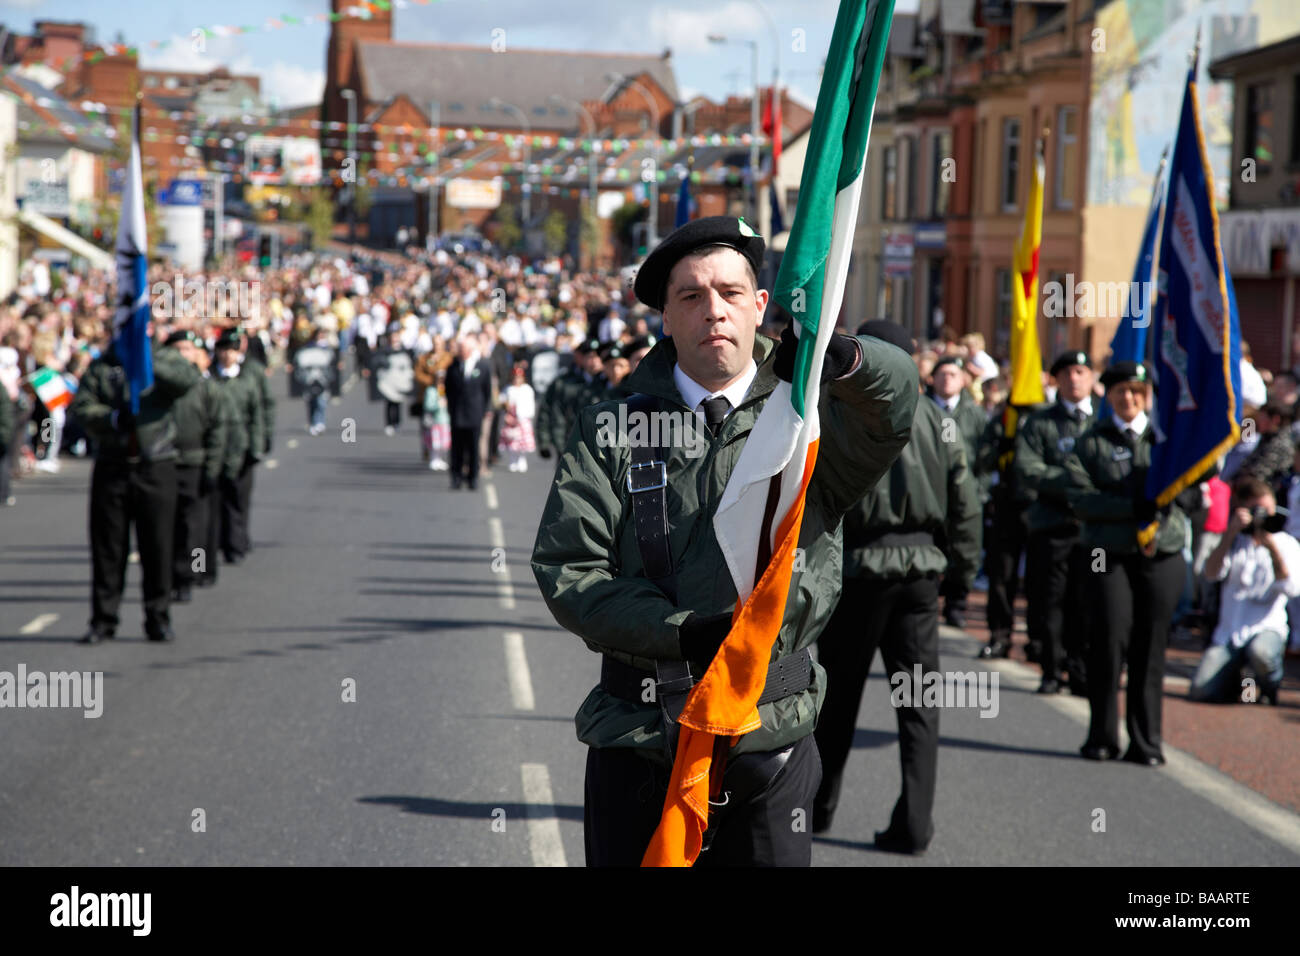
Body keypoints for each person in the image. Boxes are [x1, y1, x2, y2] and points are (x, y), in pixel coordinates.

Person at [531, 216, 918, 867]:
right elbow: (570, 571)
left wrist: (843, 355)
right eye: (691, 296)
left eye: (731, 293)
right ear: (664, 319)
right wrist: (685, 633)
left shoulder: (806, 423)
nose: (714, 310)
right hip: (641, 739)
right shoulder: (611, 428)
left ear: (760, 306)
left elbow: (896, 407)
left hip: (770, 741)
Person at [812, 320, 980, 855]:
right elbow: (965, 503)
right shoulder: (936, 417)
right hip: (919, 578)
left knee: (836, 700)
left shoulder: (835, 406)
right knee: (920, 708)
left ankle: (818, 808)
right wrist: (959, 577)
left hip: (858, 570)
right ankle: (915, 824)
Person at [1066, 361, 1195, 765]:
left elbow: (1196, 486)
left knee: (1150, 648)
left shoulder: (1167, 439)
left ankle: (1146, 741)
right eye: (1121, 390)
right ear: (1108, 395)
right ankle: (1102, 736)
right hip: (1109, 555)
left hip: (1162, 552)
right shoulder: (1091, 441)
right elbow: (1080, 498)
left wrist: (1181, 492)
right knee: (1108, 642)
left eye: (1137, 391)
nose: (1129, 398)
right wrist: (1130, 508)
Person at [70, 333, 200, 643]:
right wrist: (112, 418)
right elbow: (82, 407)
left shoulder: (161, 357)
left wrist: (145, 360)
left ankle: (157, 617)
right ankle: (103, 620)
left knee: (157, 545)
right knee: (108, 549)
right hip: (113, 465)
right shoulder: (103, 365)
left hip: (155, 463)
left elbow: (186, 380)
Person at [1015, 350, 1097, 694]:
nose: (1074, 379)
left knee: (1087, 601)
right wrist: (1071, 480)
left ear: (1091, 377)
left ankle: (1080, 670)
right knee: (1050, 601)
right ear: (1056, 380)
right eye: (1066, 373)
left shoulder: (1104, 421)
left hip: (1093, 531)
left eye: (1080, 371)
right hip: (1052, 527)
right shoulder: (1040, 422)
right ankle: (1051, 669)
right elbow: (1028, 468)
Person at [1189, 474, 1298, 705]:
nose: (1261, 517)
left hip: (1266, 630)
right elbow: (1210, 573)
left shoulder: (1286, 543)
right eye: (1255, 511)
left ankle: (1270, 685)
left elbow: (1291, 588)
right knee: (1200, 690)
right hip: (1229, 634)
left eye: (1265, 510)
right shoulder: (1234, 542)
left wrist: (1270, 546)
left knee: (1261, 653)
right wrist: (1230, 533)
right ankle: (1234, 680)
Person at [165, 330, 226, 604]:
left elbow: (217, 430)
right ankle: (166, 578)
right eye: (177, 348)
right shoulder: (155, 386)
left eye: (188, 349)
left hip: (194, 464)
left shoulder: (206, 387)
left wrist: (213, 468)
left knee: (193, 526)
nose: (182, 354)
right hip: (162, 463)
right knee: (164, 526)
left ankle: (189, 574)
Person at [927, 355, 984, 629]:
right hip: (930, 494)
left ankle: (956, 603)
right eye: (942, 373)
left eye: (954, 374)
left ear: (964, 381)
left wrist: (980, 491)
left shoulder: (975, 415)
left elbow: (986, 457)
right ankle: (928, 599)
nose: (948, 379)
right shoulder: (921, 410)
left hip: (964, 494)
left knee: (963, 549)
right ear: (932, 379)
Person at [212, 328, 265, 566]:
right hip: (215, 449)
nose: (227, 355)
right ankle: (219, 543)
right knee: (215, 499)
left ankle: (237, 543)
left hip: (240, 446)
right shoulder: (209, 378)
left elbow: (259, 413)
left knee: (238, 499)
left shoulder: (248, 377)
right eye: (223, 350)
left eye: (231, 350)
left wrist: (258, 446)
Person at [444, 336, 492, 490]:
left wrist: (486, 410)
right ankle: (456, 476)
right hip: (457, 413)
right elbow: (448, 389)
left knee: (473, 447)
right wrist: (450, 408)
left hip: (474, 413)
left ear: (470, 351)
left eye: (463, 349)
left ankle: (473, 477)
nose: (460, 352)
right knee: (457, 448)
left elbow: (487, 390)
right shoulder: (453, 366)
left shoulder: (483, 366)